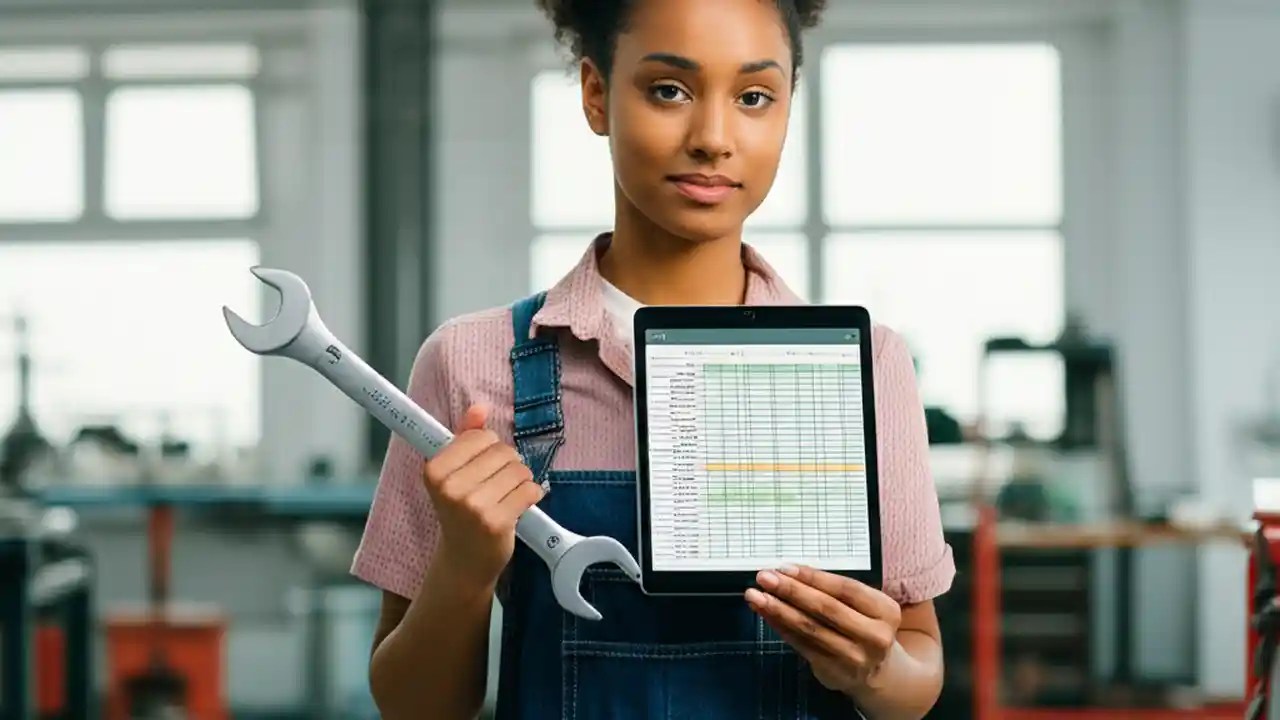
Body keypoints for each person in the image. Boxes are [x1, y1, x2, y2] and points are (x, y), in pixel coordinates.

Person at [352, 0, 955, 717]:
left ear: (790, 107)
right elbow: (413, 708)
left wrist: (876, 666)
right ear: (596, 94)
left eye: (754, 97)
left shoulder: (870, 365)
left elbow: (917, 674)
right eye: (669, 90)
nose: (713, 138)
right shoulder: (470, 362)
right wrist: (464, 567)